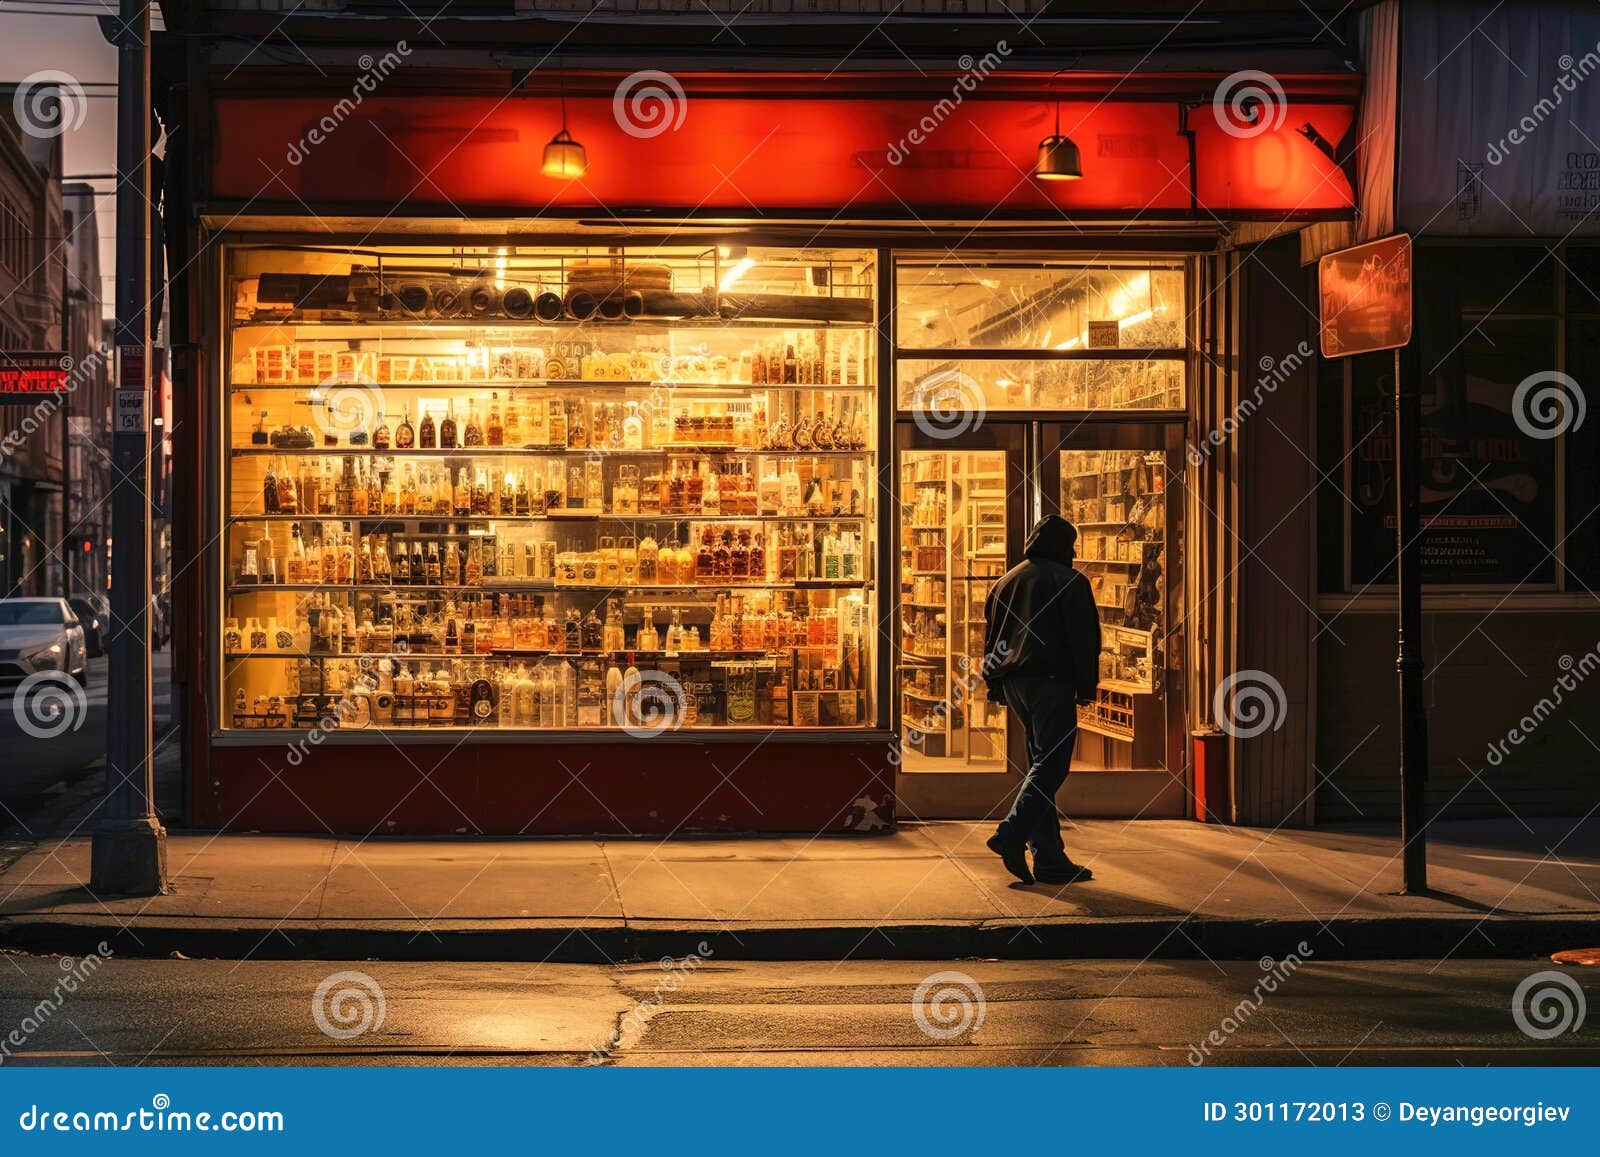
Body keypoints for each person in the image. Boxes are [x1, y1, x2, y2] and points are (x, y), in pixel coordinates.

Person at [981, 514, 1101, 885]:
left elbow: (994, 637)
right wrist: (1086, 687)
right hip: (1052, 680)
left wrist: (995, 682)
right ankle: (1012, 834)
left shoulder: (1006, 581)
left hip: (1015, 681)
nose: (1075, 551)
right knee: (1052, 764)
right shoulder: (1071, 582)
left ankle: (1048, 855)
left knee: (1039, 764)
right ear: (1065, 546)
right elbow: (1084, 641)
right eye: (1072, 544)